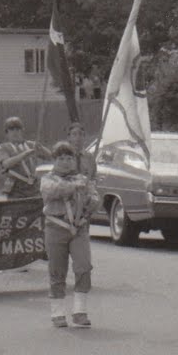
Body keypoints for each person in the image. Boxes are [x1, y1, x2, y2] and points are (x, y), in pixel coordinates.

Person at [40, 141, 101, 329]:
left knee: (83, 266)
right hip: (56, 227)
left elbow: (96, 200)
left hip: (79, 227)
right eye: (61, 158)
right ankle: (57, 312)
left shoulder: (83, 179)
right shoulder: (48, 179)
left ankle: (79, 311)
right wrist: (75, 186)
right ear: (54, 160)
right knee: (57, 270)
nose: (65, 162)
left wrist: (90, 199)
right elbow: (51, 192)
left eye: (69, 158)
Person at [0, 117, 49, 200]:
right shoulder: (4, 147)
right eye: (11, 129)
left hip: (33, 186)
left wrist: (42, 148)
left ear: (22, 131)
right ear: (7, 133)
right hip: (16, 188)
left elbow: (50, 157)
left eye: (18, 129)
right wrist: (24, 154)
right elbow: (6, 164)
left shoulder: (30, 145)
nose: (15, 132)